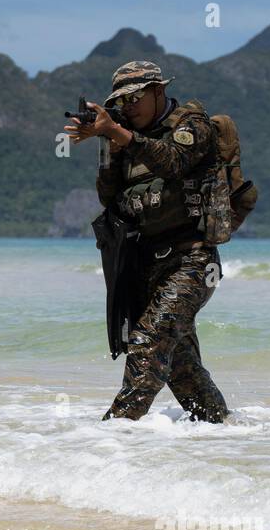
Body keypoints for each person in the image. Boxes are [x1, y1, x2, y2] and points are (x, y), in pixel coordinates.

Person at [65, 61, 229, 422]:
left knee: (148, 343)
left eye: (137, 97)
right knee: (183, 371)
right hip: (148, 263)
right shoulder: (122, 135)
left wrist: (121, 135)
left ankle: (115, 433)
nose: (130, 107)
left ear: (158, 90)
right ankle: (224, 432)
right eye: (122, 102)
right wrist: (112, 142)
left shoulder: (192, 124)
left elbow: (173, 162)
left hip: (196, 261)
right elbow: (109, 196)